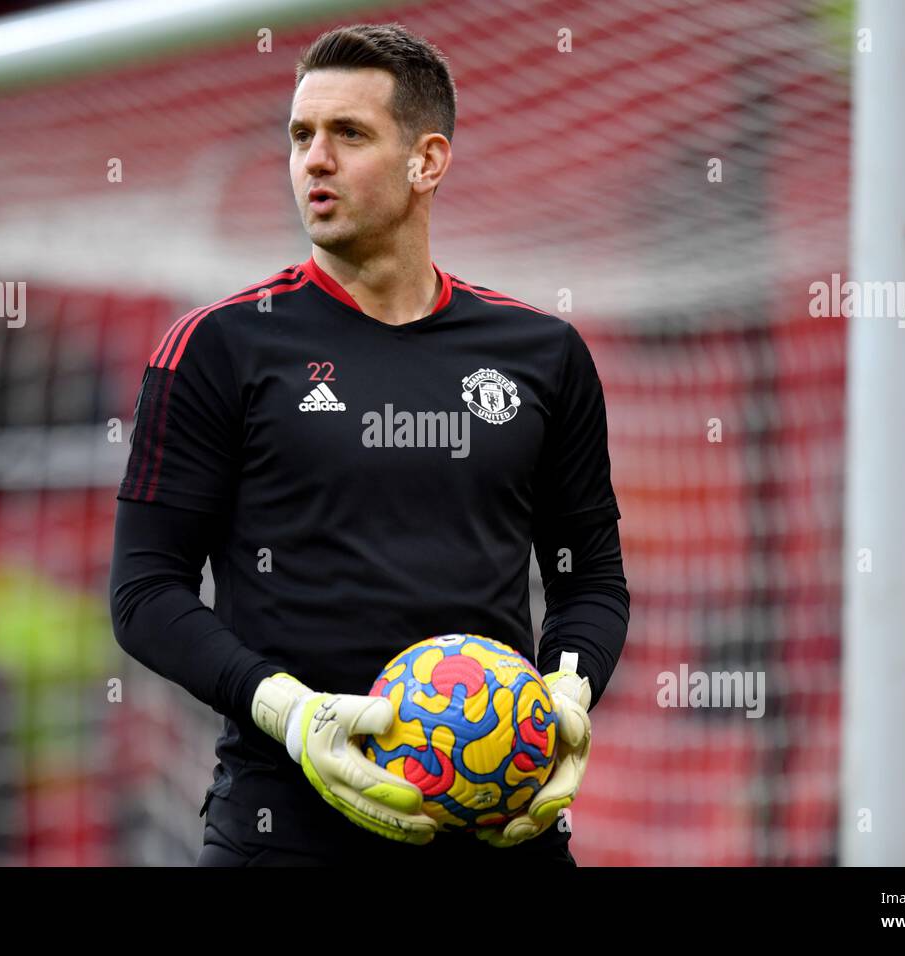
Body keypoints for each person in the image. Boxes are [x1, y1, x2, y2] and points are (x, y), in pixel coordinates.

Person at [109, 22, 629, 867]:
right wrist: (291, 712)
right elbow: (144, 592)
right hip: (285, 833)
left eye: (349, 134)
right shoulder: (217, 347)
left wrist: (568, 687)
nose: (314, 158)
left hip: (499, 832)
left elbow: (590, 579)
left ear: (427, 161)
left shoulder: (542, 353)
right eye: (301, 136)